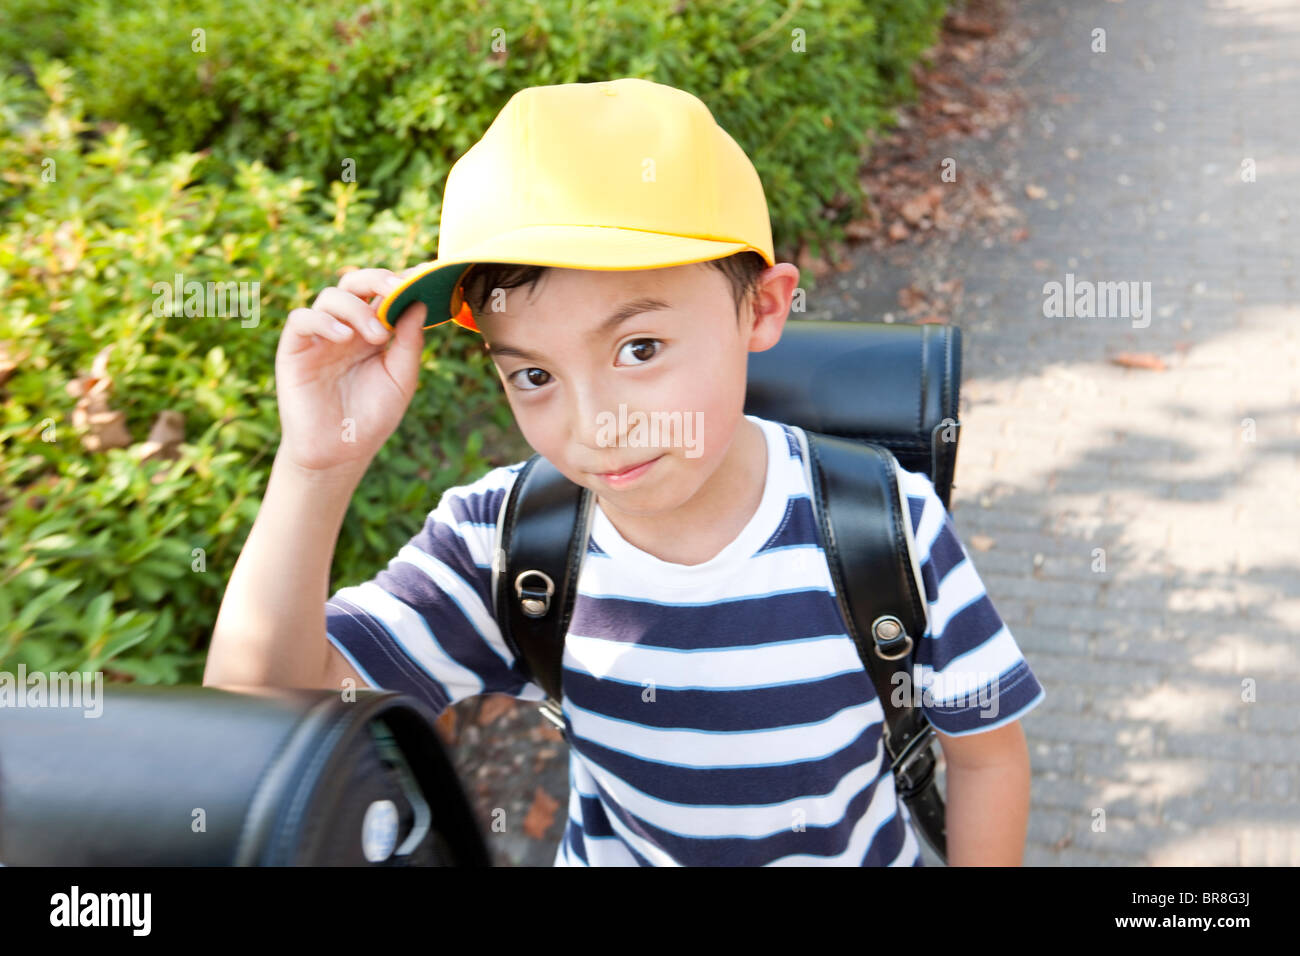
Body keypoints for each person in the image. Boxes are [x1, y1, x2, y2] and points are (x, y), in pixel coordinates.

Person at [205, 77, 1046, 866]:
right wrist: (317, 464)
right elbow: (266, 717)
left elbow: (984, 761)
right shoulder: (506, 543)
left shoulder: (882, 525)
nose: (594, 424)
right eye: (532, 374)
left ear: (763, 305)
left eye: (639, 348)